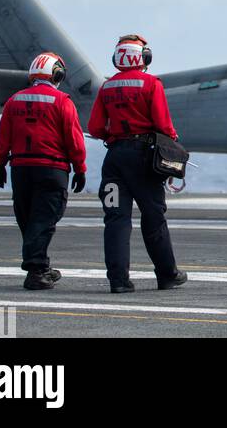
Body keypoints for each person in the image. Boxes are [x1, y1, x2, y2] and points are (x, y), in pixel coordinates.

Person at [87, 34, 187, 294]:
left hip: (115, 158)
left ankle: (118, 280)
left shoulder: (107, 87)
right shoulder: (151, 84)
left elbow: (95, 127)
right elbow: (164, 125)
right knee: (153, 216)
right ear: (144, 57)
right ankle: (167, 275)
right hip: (144, 157)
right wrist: (172, 145)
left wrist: (114, 137)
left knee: (116, 219)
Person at [0, 52, 87, 290]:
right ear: (58, 75)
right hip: (51, 169)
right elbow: (74, 140)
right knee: (44, 219)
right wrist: (80, 168)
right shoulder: (62, 101)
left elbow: (3, 137)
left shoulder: (14, 101)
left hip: (20, 169)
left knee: (27, 218)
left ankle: (42, 266)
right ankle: (35, 272)